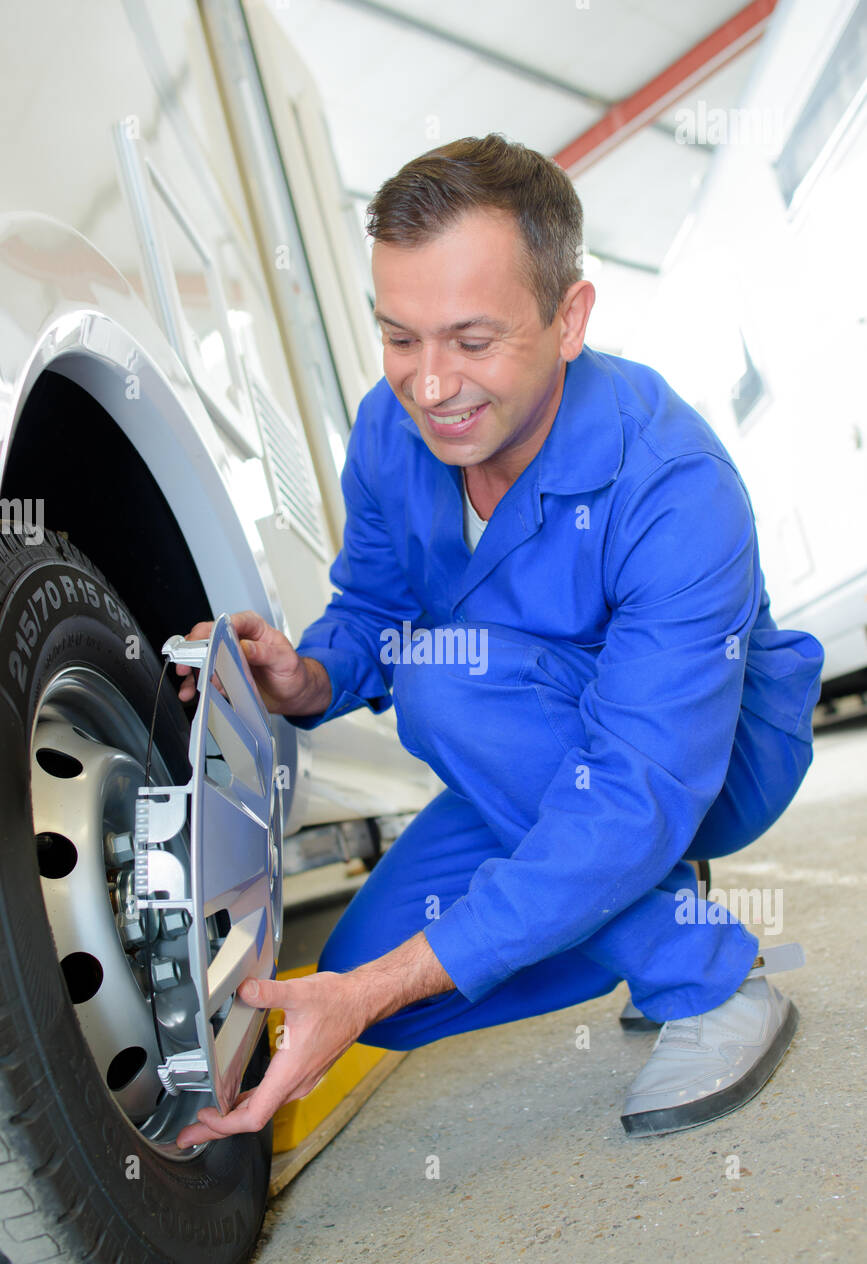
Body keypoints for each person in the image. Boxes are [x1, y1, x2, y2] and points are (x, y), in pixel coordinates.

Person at [173, 134, 824, 1150]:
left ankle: (713, 983)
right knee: (371, 979)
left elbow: (639, 781)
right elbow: (375, 609)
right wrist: (307, 677)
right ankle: (642, 899)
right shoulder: (392, 434)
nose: (431, 386)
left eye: (472, 341)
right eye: (400, 338)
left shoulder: (673, 486)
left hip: (711, 755)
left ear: (570, 318)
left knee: (450, 689)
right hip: (538, 757)